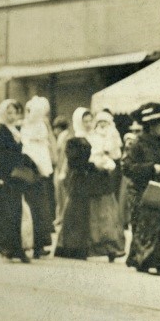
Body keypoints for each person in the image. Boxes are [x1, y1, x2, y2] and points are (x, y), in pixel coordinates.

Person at [123, 102, 160, 276]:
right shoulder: (138, 144)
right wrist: (151, 168)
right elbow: (127, 168)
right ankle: (151, 262)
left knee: (157, 226)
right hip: (141, 193)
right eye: (158, 125)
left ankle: (148, 260)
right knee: (146, 226)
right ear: (150, 126)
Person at [0, 100, 32, 262]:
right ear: (3, 114)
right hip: (4, 176)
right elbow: (1, 154)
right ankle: (7, 246)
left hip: (16, 176)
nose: (12, 115)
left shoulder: (18, 131)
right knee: (5, 211)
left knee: (16, 211)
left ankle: (15, 247)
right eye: (9, 112)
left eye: (14, 112)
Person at [55, 108, 96, 260]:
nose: (88, 124)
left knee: (83, 212)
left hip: (87, 177)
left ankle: (80, 247)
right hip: (76, 177)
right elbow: (72, 161)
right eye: (85, 121)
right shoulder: (73, 140)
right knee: (73, 209)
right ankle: (68, 246)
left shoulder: (93, 137)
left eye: (90, 120)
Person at [21, 96, 56, 259]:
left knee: (41, 210)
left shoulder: (41, 125)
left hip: (40, 173)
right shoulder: (26, 127)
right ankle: (33, 243)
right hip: (31, 172)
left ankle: (39, 244)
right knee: (33, 210)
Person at [87, 111, 125, 261]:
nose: (102, 125)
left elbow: (115, 154)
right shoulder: (93, 136)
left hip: (107, 176)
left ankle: (112, 247)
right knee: (96, 213)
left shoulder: (112, 135)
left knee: (109, 213)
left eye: (105, 122)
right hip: (95, 175)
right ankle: (96, 246)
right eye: (100, 122)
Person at [52, 116, 71, 225]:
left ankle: (62, 216)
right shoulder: (63, 138)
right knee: (60, 194)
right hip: (60, 168)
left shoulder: (65, 138)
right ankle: (60, 216)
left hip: (62, 168)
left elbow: (64, 156)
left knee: (62, 193)